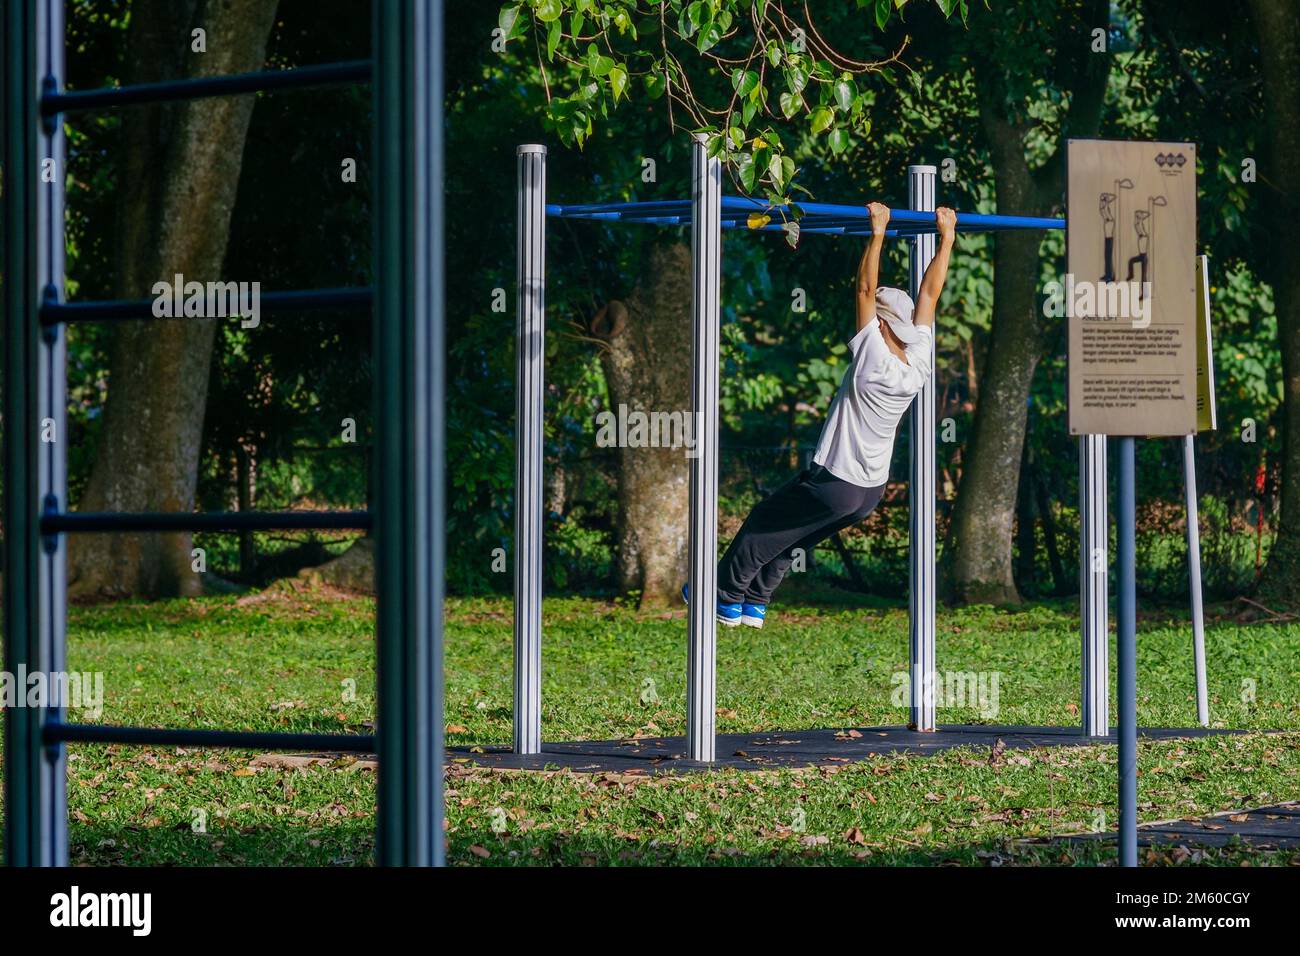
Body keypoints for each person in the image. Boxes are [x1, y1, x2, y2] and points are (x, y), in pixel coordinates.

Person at [686, 203, 957, 628]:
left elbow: (865, 291)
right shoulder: (918, 362)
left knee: (764, 523)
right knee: (797, 533)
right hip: (867, 492)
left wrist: (878, 232)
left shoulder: (872, 359)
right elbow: (929, 294)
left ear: (883, 326)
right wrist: (948, 238)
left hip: (837, 479)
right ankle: (756, 600)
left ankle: (722, 594)